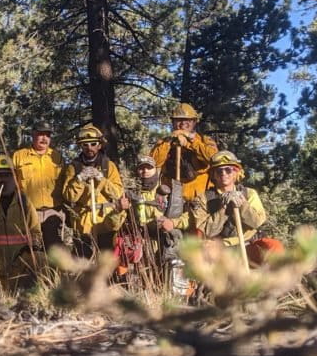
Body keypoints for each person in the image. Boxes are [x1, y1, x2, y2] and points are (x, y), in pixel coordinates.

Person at [189, 150, 283, 266]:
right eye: (219, 171)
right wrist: (222, 209)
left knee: (274, 247)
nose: (224, 174)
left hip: (247, 244)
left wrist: (242, 204)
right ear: (213, 174)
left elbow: (257, 221)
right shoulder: (202, 199)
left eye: (228, 170)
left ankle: (279, 282)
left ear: (236, 172)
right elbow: (207, 231)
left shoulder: (249, 194)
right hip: (219, 248)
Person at [0, 155, 42, 292]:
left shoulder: (24, 201)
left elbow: (35, 230)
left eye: (7, 175)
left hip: (20, 264)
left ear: (15, 179)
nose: (3, 180)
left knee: (42, 259)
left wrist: (31, 249)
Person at [59, 124, 125, 258]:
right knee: (84, 261)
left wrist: (101, 179)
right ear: (80, 146)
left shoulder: (108, 166)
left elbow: (117, 192)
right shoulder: (73, 167)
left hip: (105, 221)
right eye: (85, 145)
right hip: (83, 222)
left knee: (106, 261)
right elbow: (69, 196)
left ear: (99, 145)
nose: (89, 147)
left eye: (93, 143)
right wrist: (79, 178)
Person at [130, 155, 191, 295]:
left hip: (168, 238)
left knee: (174, 262)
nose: (145, 171)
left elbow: (188, 217)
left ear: (155, 169)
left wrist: (172, 223)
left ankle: (177, 296)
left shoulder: (170, 189)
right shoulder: (133, 192)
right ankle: (148, 296)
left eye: (148, 168)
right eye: (141, 168)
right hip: (145, 238)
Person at [12, 120, 65, 251]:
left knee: (54, 249)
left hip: (53, 211)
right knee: (30, 249)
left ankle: (54, 272)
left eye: (47, 135)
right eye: (40, 134)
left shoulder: (56, 156)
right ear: (33, 135)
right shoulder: (19, 156)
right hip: (28, 211)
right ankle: (33, 272)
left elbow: (65, 183)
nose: (44, 138)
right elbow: (11, 184)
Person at [150, 103, 219, 201]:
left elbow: (214, 159)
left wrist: (190, 141)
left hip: (200, 198)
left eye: (187, 120)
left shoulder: (205, 141)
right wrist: (169, 142)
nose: (182, 124)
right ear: (173, 122)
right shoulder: (163, 142)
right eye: (178, 120)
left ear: (194, 122)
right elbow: (153, 163)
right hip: (171, 197)